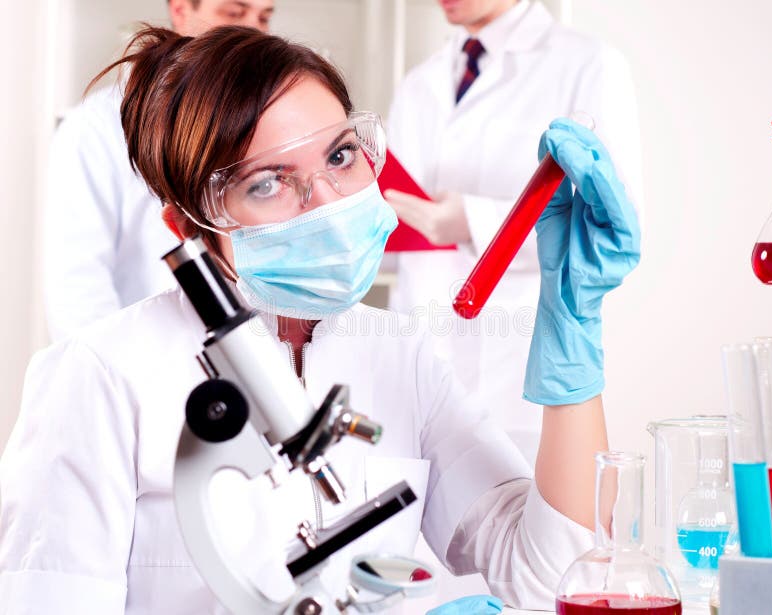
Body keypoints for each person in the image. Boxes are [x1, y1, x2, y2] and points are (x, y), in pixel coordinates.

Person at [0, 25, 640, 614]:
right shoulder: (102, 374)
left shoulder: (398, 353)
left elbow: (554, 571)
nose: (328, 206)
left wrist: (571, 334)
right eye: (266, 183)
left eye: (339, 157)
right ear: (186, 231)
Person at [384, 0, 642, 460]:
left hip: (516, 367)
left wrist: (469, 221)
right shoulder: (419, 81)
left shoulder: (587, 63)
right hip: (417, 356)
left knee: (535, 517)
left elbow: (611, 224)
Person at [43, 0, 275, 341]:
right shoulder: (95, 128)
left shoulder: (265, 120)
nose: (253, 30)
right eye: (234, 13)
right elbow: (76, 285)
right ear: (181, 10)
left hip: (251, 354)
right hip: (143, 359)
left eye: (264, 17)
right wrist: (126, 375)